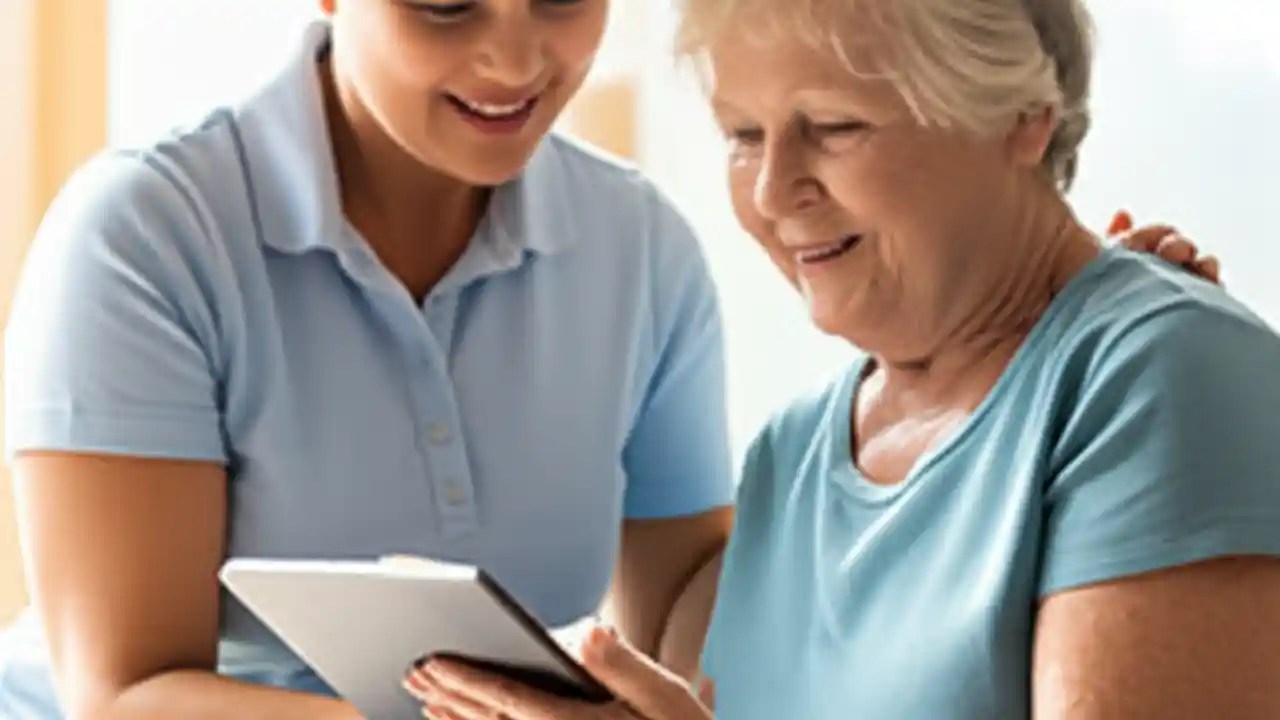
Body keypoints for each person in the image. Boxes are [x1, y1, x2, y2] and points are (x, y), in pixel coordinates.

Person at [0, 1, 1216, 718]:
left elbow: (687, 609)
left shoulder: (635, 245)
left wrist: (1030, 357)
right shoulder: (148, 231)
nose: (513, 59)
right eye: (444, 6)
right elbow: (126, 693)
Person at [406, 1, 1280, 719]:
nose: (772, 190)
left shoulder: (1163, 380)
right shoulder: (790, 454)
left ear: (1021, 119)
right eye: (743, 135)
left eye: (833, 127)